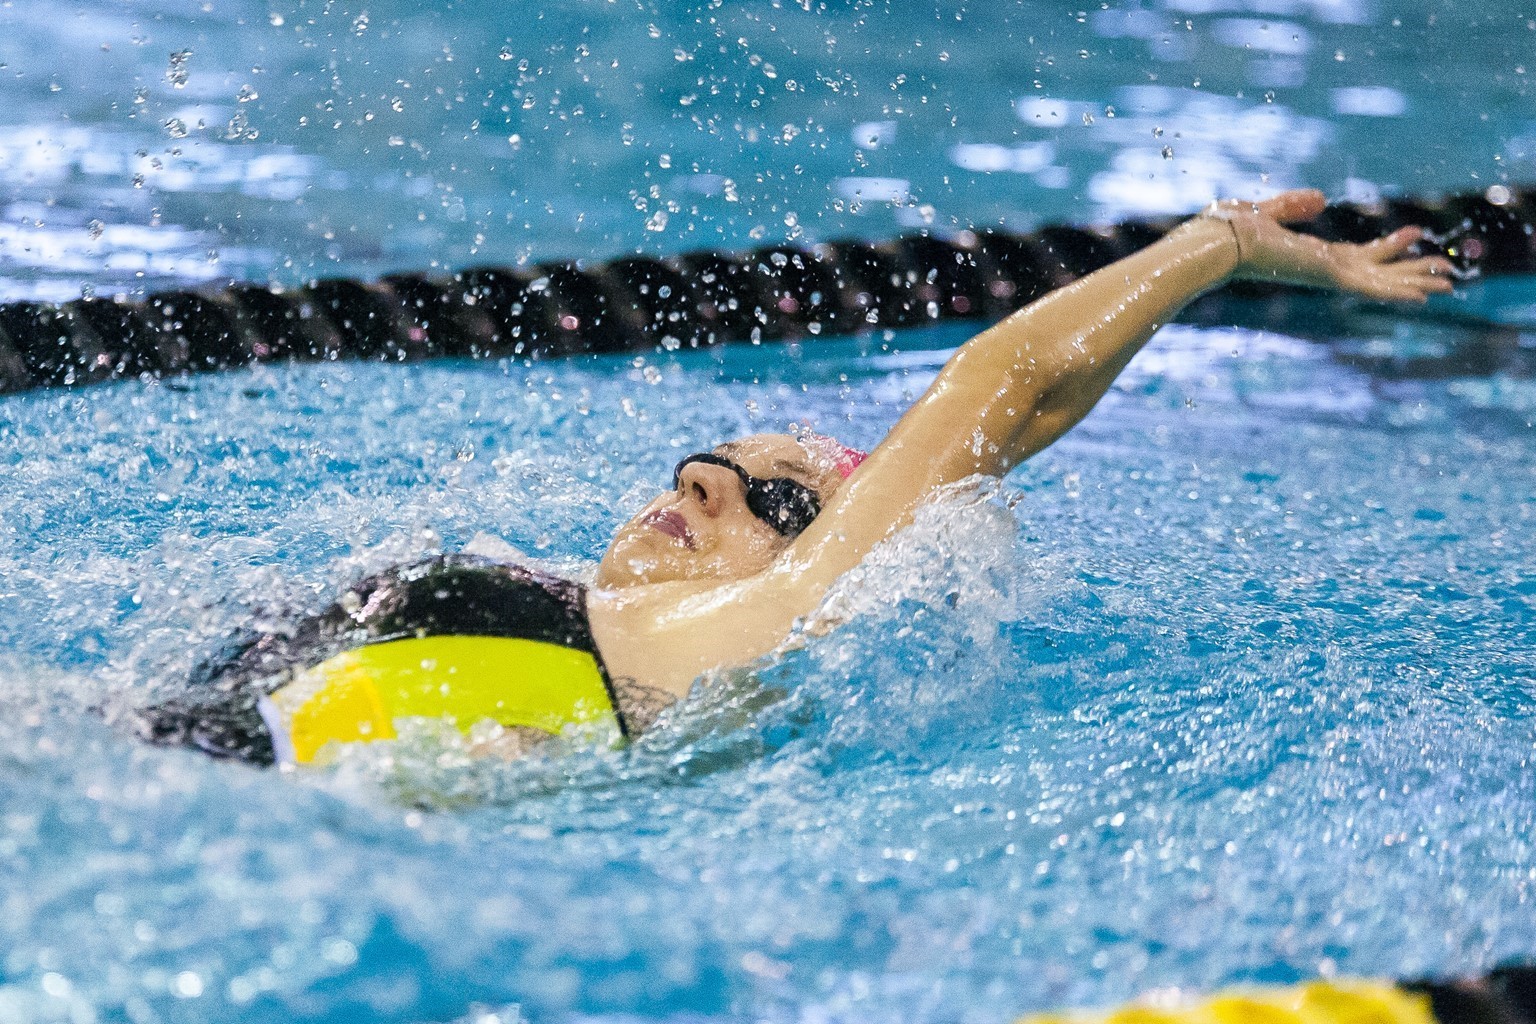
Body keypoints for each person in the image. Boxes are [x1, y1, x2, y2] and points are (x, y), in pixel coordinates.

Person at [138, 190, 1454, 765]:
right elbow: (994, 422)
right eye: (714, 464)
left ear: (833, 557)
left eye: (773, 500)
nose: (708, 479)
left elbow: (991, 394)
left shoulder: (740, 633)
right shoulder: (603, 610)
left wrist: (1222, 246)